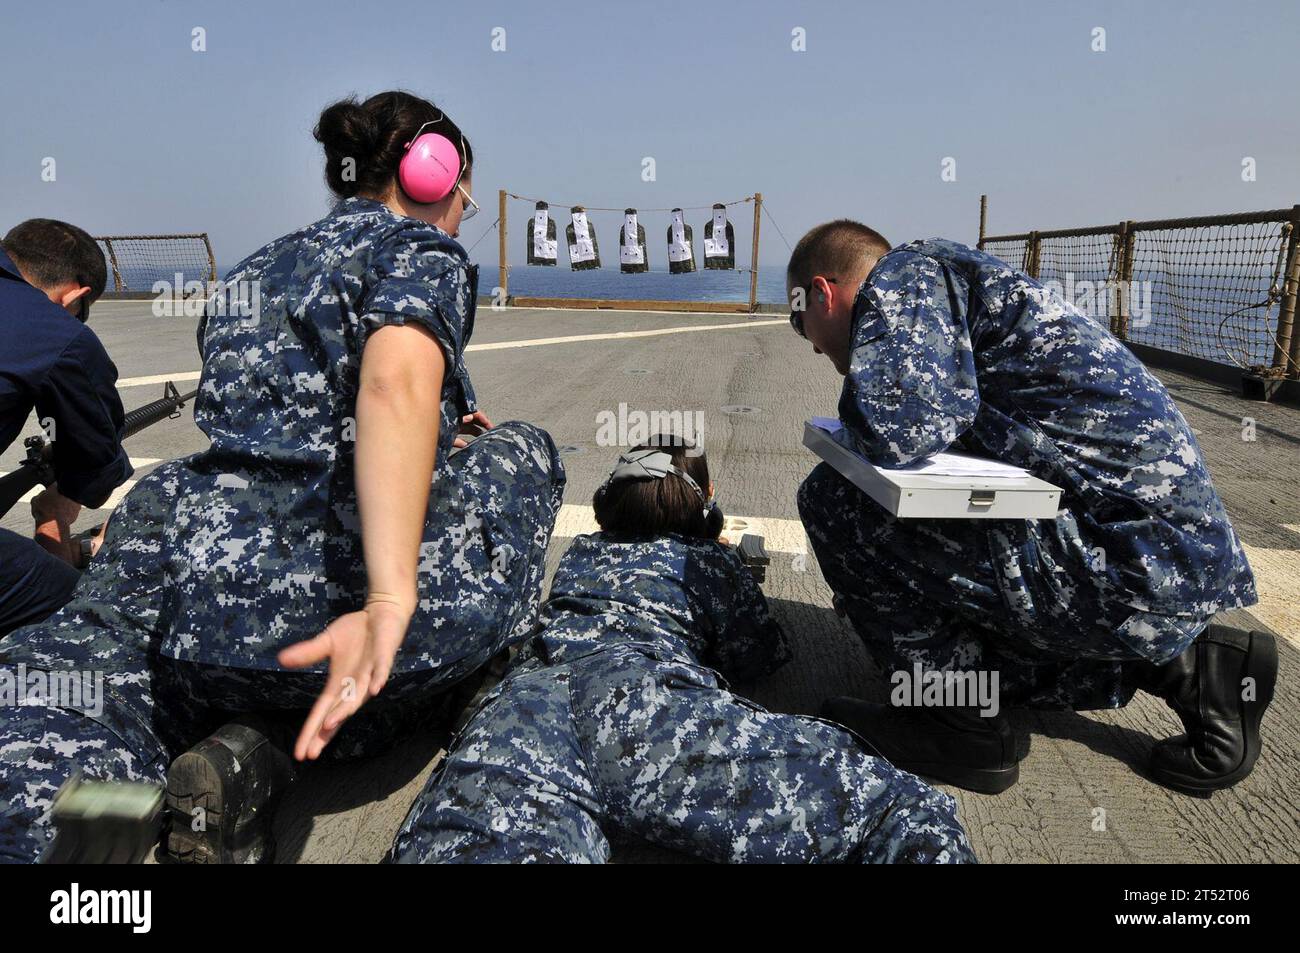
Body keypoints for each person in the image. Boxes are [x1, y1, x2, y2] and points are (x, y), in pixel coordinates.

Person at [0, 91, 566, 864]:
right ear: (430, 175)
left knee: (86, 689)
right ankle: (388, 710)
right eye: (461, 194)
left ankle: (104, 829)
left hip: (203, 629)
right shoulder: (419, 252)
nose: (462, 215)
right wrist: (392, 596)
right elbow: (393, 387)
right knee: (525, 451)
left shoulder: (252, 268)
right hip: (355, 644)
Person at [789, 222, 1273, 796]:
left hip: (1124, 560)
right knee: (964, 588)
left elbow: (896, 430)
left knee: (834, 499)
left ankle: (961, 722)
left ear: (823, 292)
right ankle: (1195, 667)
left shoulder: (905, 276)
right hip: (1153, 561)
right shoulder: (957, 285)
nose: (818, 348)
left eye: (805, 329)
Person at [387, 439, 974, 864]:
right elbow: (761, 655)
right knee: (893, 812)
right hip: (652, 704)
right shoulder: (708, 562)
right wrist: (731, 575)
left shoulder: (586, 551)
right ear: (707, 500)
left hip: (525, 707)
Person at [0, 219, 130, 636]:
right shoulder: (59, 334)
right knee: (87, 621)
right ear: (76, 294)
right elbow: (95, 460)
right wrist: (58, 507)